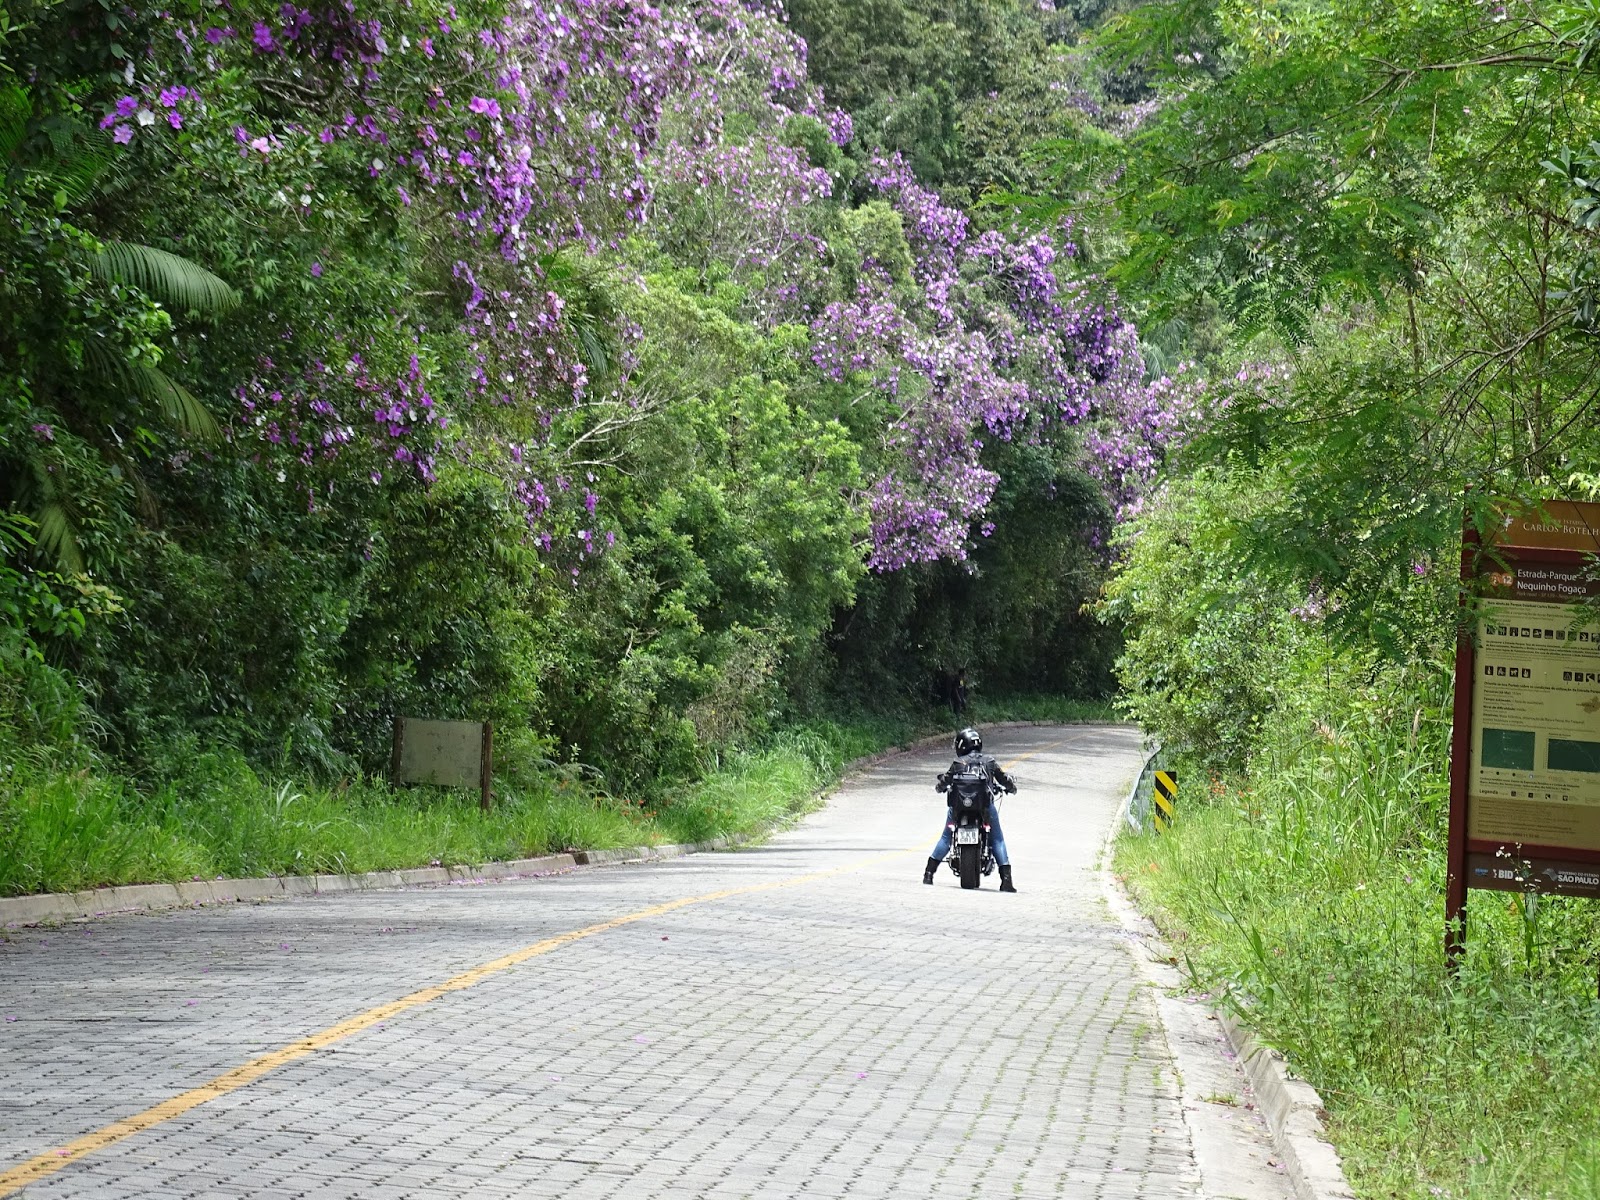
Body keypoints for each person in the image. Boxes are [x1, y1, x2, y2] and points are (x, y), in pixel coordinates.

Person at [923, 726, 1017, 892]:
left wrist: (940, 787)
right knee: (997, 840)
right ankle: (1006, 880)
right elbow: (1004, 780)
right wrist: (1011, 787)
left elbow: (945, 781)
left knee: (946, 838)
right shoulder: (989, 761)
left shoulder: (958, 763)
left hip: (958, 808)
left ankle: (929, 873)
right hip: (985, 807)